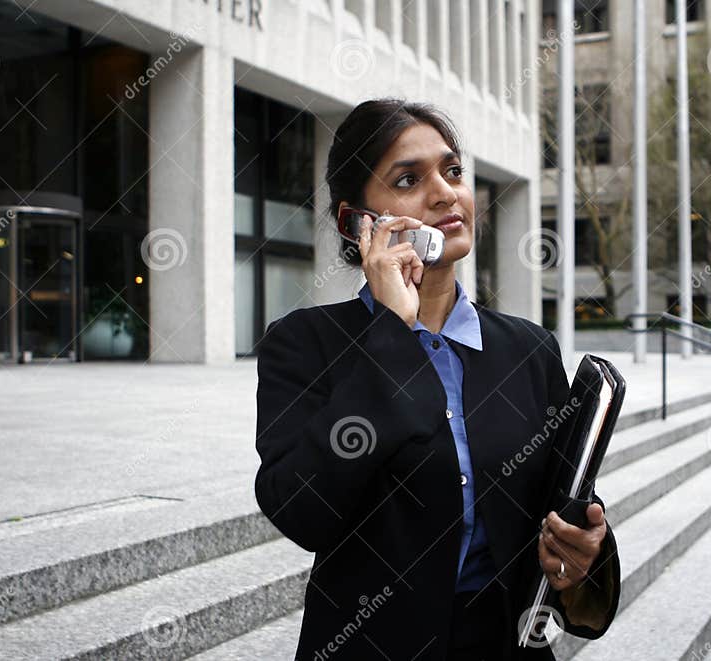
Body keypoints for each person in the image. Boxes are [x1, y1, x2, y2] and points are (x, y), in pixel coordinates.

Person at [254, 98, 621, 660]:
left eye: (453, 172)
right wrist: (393, 339)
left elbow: (565, 505)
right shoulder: (305, 343)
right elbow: (303, 512)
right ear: (358, 223)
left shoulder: (528, 350)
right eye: (408, 178)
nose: (447, 193)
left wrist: (587, 547)